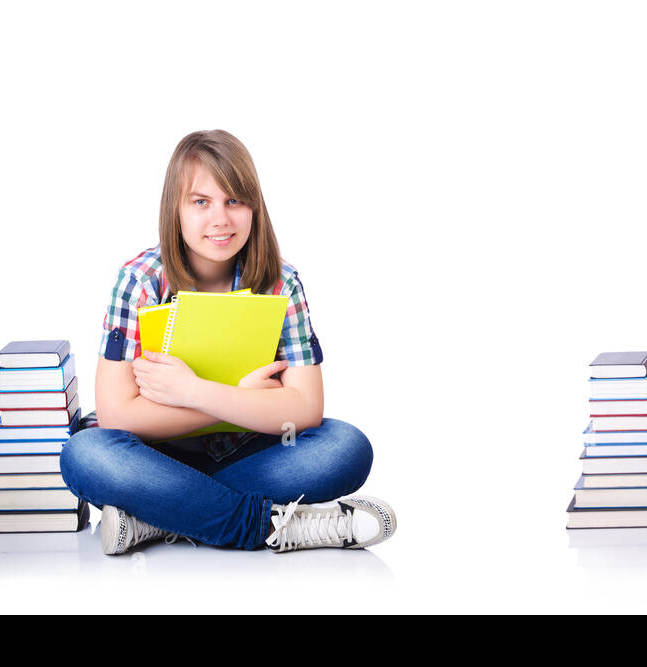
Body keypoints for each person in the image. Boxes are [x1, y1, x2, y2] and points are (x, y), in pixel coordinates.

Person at [60, 130, 396, 555]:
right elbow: (117, 416)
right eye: (201, 202)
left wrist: (195, 392)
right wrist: (240, 399)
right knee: (86, 453)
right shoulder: (139, 280)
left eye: (234, 201)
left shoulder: (281, 283)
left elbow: (305, 411)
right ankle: (269, 527)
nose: (220, 219)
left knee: (344, 448)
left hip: (249, 456)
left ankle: (157, 516)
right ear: (175, 210)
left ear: (254, 207)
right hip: (153, 459)